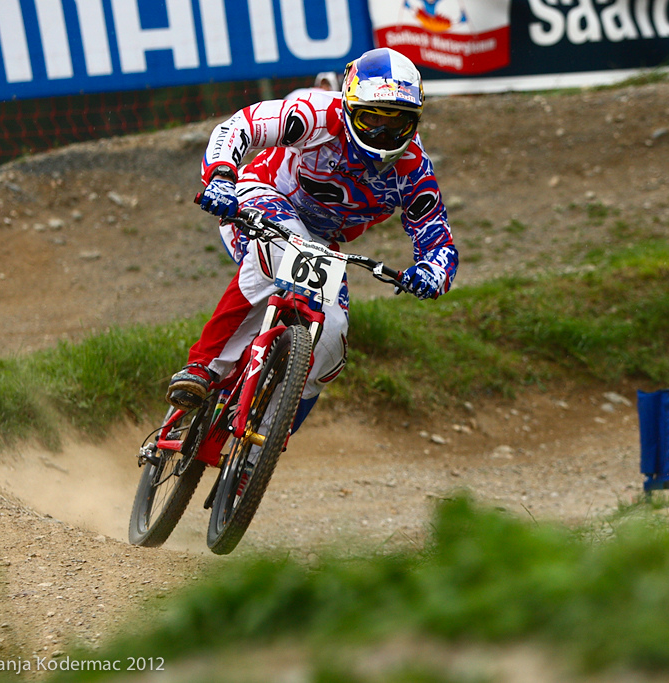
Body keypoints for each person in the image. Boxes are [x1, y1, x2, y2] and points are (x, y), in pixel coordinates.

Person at [166, 48, 458, 428]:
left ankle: (259, 453)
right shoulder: (316, 113)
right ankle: (205, 366)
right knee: (280, 251)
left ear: (415, 122)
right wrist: (222, 178)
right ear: (350, 108)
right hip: (262, 197)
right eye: (372, 120)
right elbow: (240, 126)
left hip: (322, 242)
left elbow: (438, 240)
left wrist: (432, 272)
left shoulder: (414, 171)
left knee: (332, 337)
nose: (384, 135)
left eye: (397, 124)